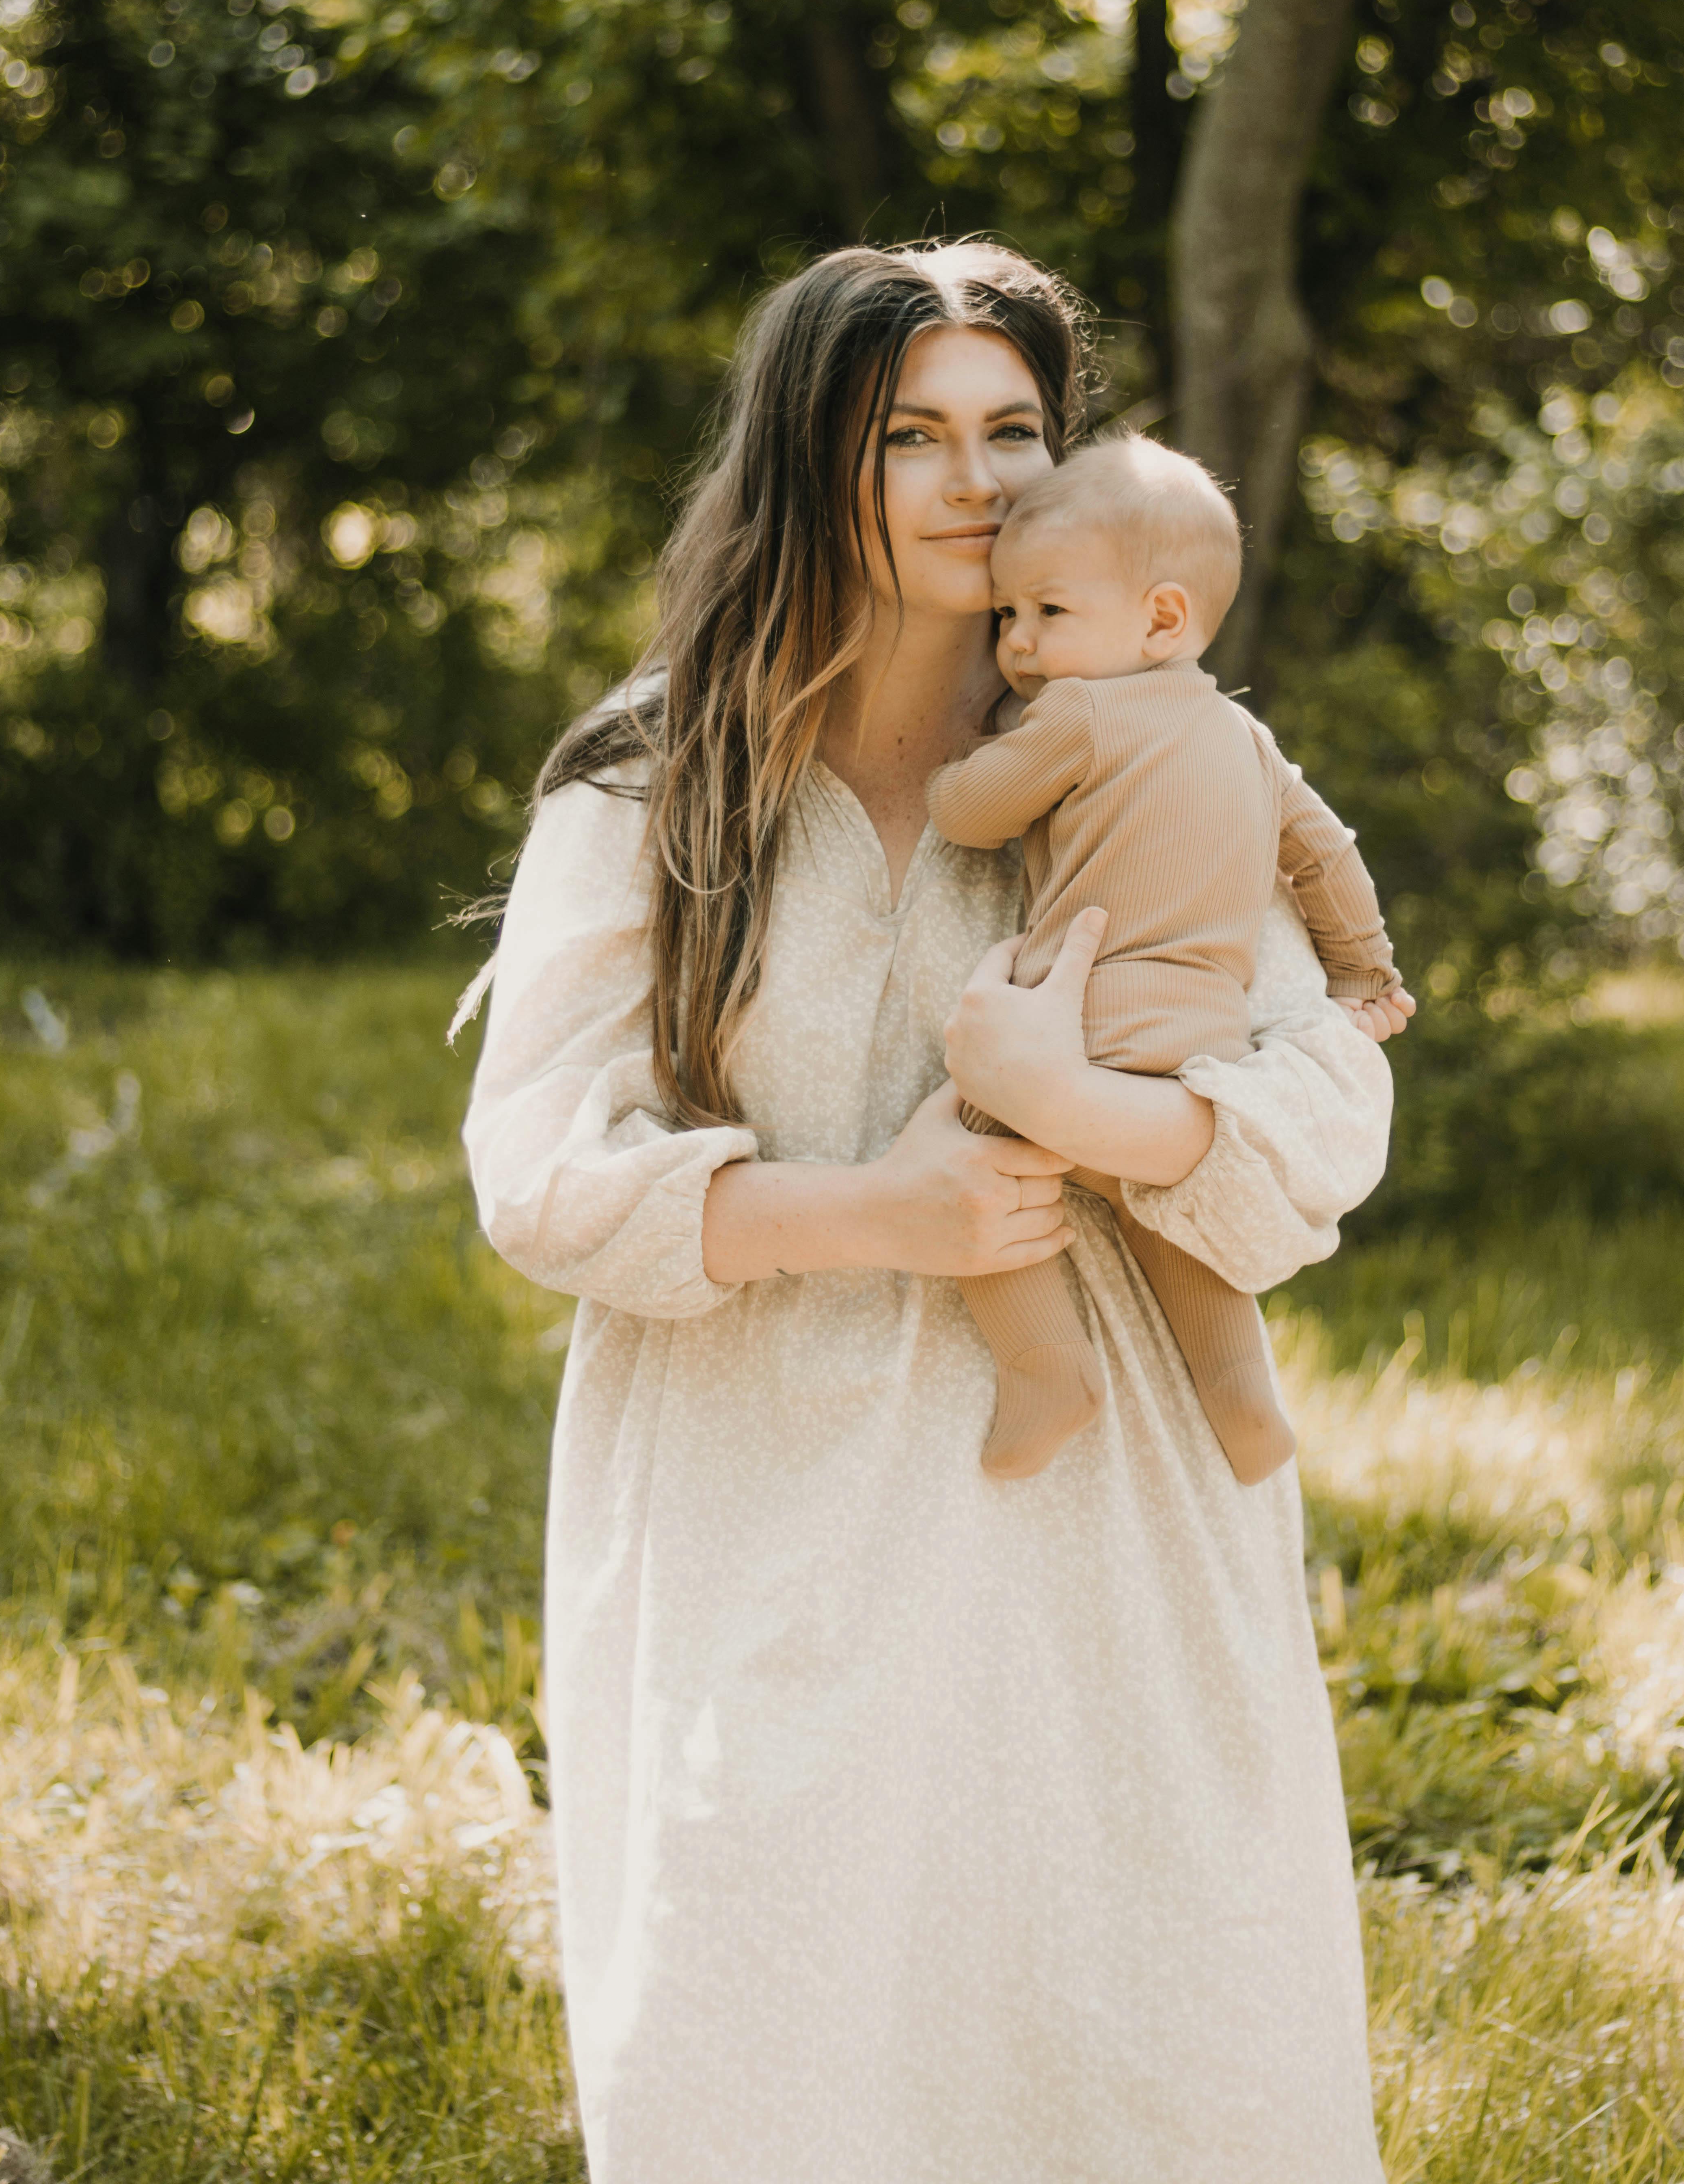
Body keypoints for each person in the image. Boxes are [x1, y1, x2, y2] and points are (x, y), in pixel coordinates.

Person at [461, 241, 1394, 2184]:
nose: (974, 481)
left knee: (1152, 2038)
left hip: (1099, 1532)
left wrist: (1089, 1116)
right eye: (911, 436)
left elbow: (1318, 1118)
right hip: (758, 1505)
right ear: (813, 457)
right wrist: (878, 1211)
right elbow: (539, 1166)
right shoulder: (658, 783)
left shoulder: (1137, 733)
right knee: (773, 2044)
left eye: (1015, 431)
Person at [925, 430, 1413, 1485]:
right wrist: (1364, 972)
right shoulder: (1246, 740)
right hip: (1202, 1041)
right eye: (1007, 615)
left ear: (1161, 618)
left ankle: (1047, 1368)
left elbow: (970, 816)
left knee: (982, 1145)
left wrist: (961, 762)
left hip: (1086, 1018)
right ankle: (1241, 1396)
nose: (1017, 643)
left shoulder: (1082, 714)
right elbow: (1327, 858)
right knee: (1169, 1207)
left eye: (1047, 613)